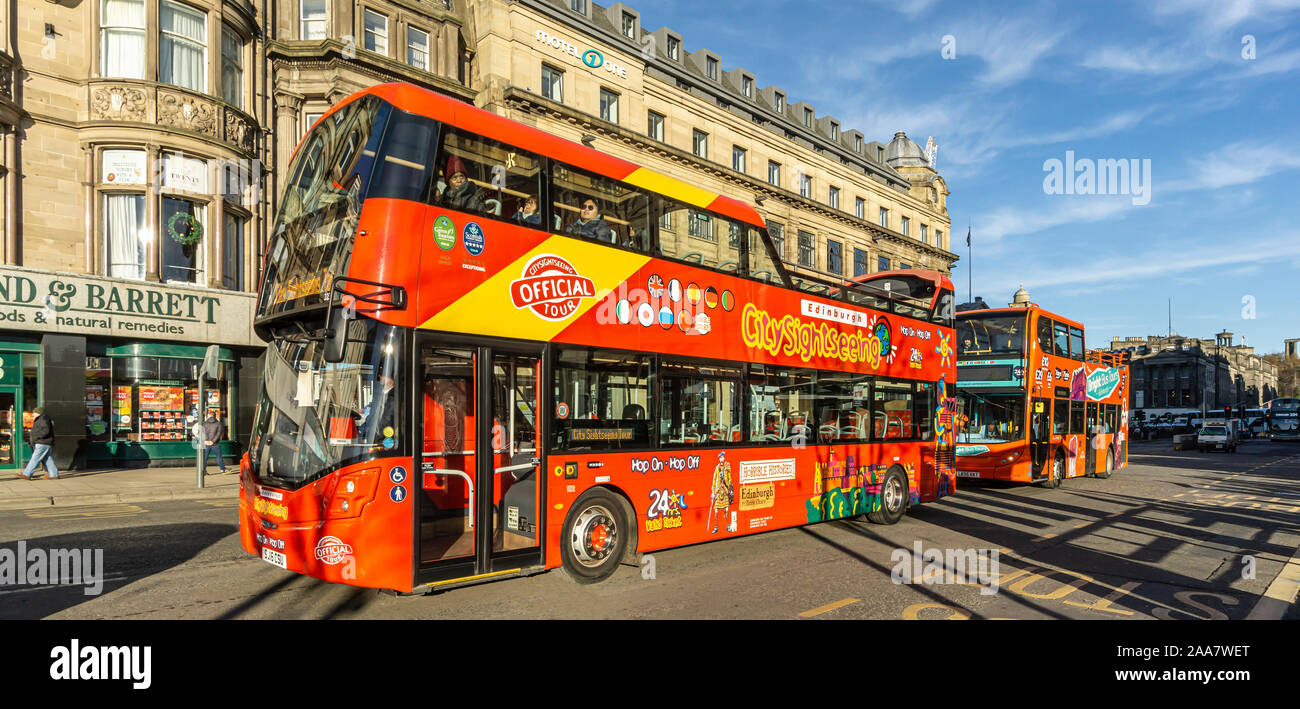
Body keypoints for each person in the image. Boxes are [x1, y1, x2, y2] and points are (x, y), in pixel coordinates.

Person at [20, 407, 58, 480]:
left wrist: (36, 437)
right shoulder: (41, 419)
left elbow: (45, 431)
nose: (33, 414)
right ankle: (53, 474)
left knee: (35, 458)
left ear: (38, 413)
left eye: (34, 413)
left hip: (42, 443)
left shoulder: (43, 419)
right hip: (44, 442)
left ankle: (27, 474)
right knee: (47, 459)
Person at [201, 410, 229, 475]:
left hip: (206, 443)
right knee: (219, 457)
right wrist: (212, 441)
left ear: (208, 416)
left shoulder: (204, 423)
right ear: (215, 416)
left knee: (205, 457)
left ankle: (203, 471)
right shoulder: (219, 423)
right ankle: (223, 469)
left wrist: (205, 441)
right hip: (215, 443)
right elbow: (219, 434)